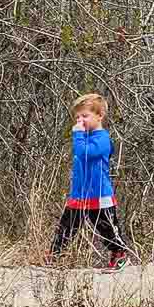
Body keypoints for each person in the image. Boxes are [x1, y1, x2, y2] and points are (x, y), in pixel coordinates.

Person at [50, 91, 135, 269]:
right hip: (79, 194)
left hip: (99, 194)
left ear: (99, 116)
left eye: (85, 116)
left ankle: (120, 254)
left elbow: (84, 153)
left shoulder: (102, 139)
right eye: (77, 117)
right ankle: (55, 256)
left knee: (107, 229)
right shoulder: (84, 137)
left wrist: (78, 135)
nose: (80, 121)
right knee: (66, 227)